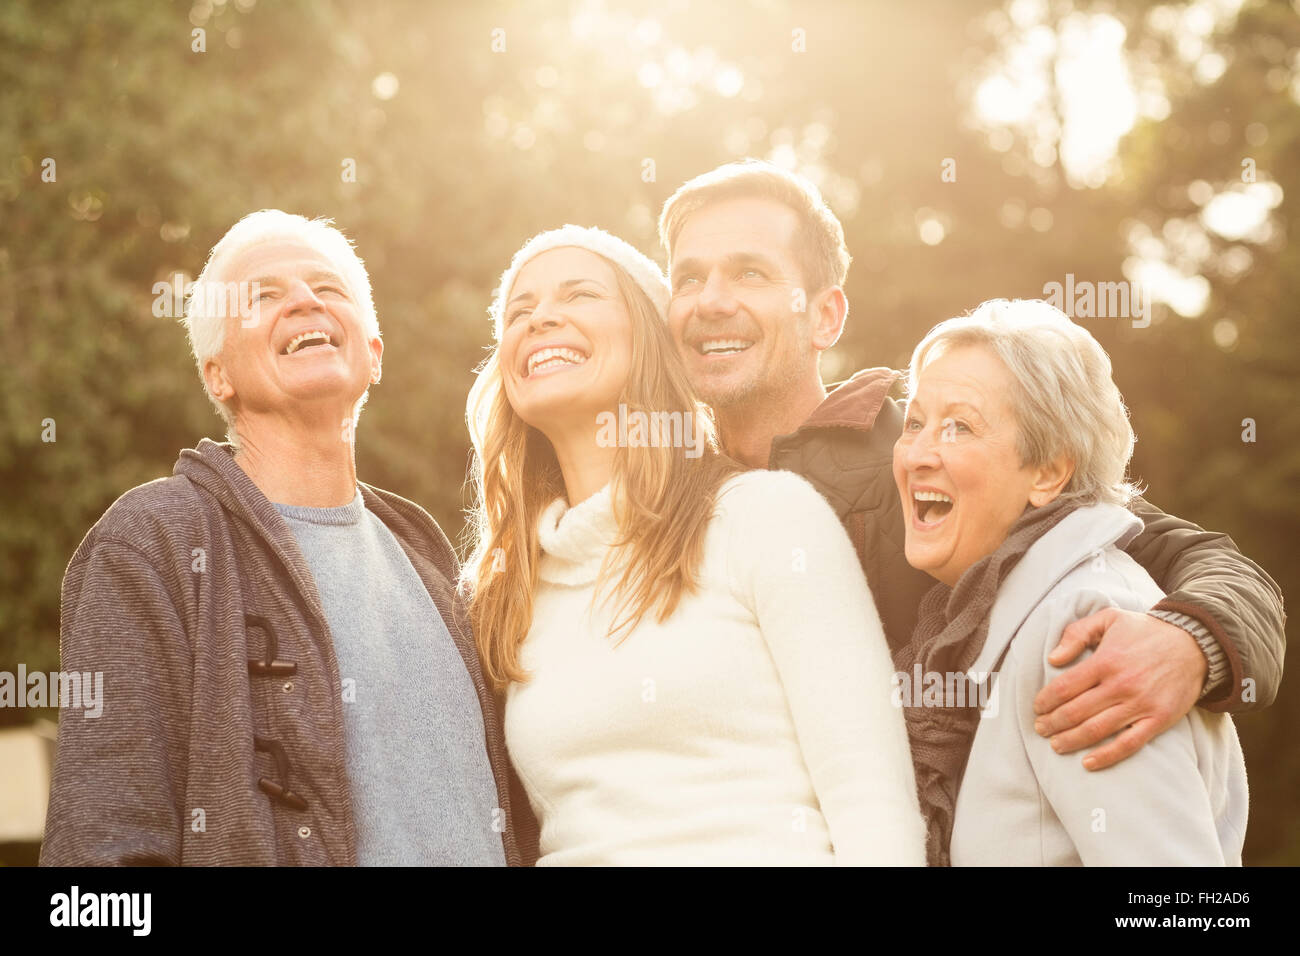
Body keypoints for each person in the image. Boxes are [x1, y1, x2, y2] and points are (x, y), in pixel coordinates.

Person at [656, 160, 1285, 775]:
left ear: (825, 316)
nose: (711, 301)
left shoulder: (928, 460)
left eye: (749, 273)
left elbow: (1201, 559)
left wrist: (1190, 643)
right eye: (687, 279)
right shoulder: (645, 494)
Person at [41, 210, 519, 866]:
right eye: (264, 296)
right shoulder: (153, 544)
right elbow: (101, 856)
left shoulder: (426, 553)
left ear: (373, 354)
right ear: (218, 376)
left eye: (329, 289)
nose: (303, 299)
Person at [462, 225, 925, 865]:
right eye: (520, 310)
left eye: (579, 295)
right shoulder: (502, 590)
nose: (541, 319)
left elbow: (874, 805)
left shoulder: (764, 516)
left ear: (650, 338)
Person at [892, 298, 1247, 865]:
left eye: (959, 426)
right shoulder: (1004, 613)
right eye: (915, 422)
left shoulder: (1081, 629)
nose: (916, 454)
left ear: (1050, 471)